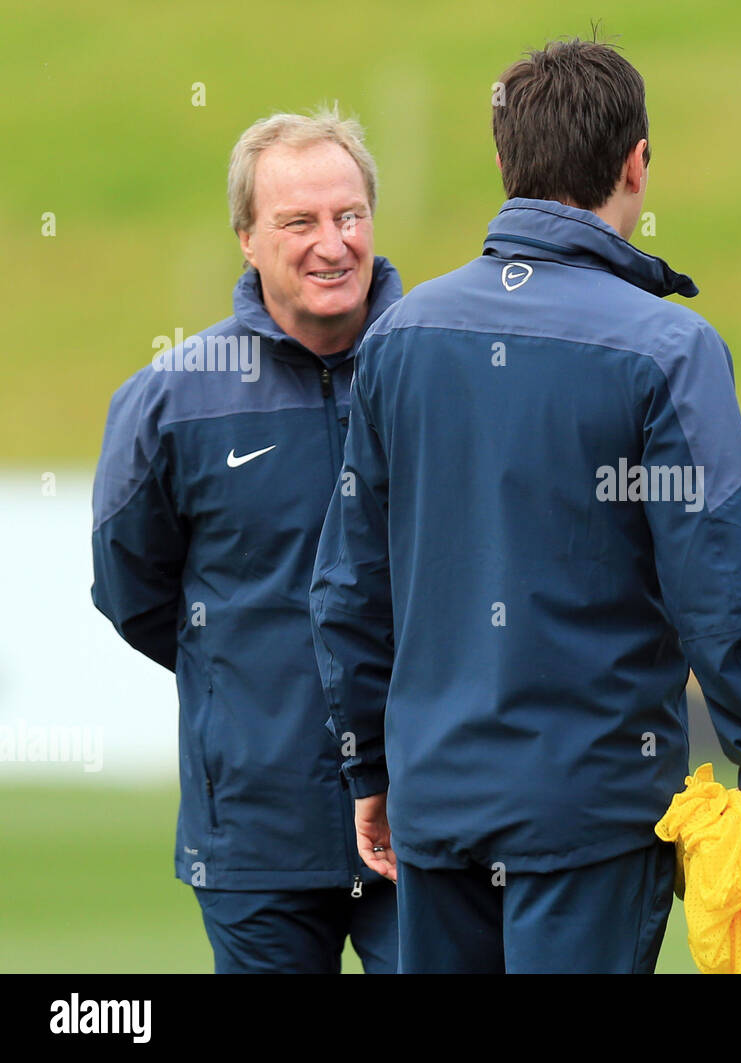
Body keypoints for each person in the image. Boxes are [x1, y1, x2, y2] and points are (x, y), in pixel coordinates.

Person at [309, 37, 741, 974]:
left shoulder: (402, 335)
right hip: (594, 810)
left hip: (436, 800)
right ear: (636, 163)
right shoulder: (668, 346)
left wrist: (369, 768)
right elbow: (719, 580)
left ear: (504, 162)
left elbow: (348, 583)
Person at [91, 108, 403, 974]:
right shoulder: (172, 401)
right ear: (246, 237)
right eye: (298, 222)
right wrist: (247, 680)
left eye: (349, 216)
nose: (332, 244)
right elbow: (132, 593)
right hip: (255, 833)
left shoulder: (444, 369)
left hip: (430, 817)